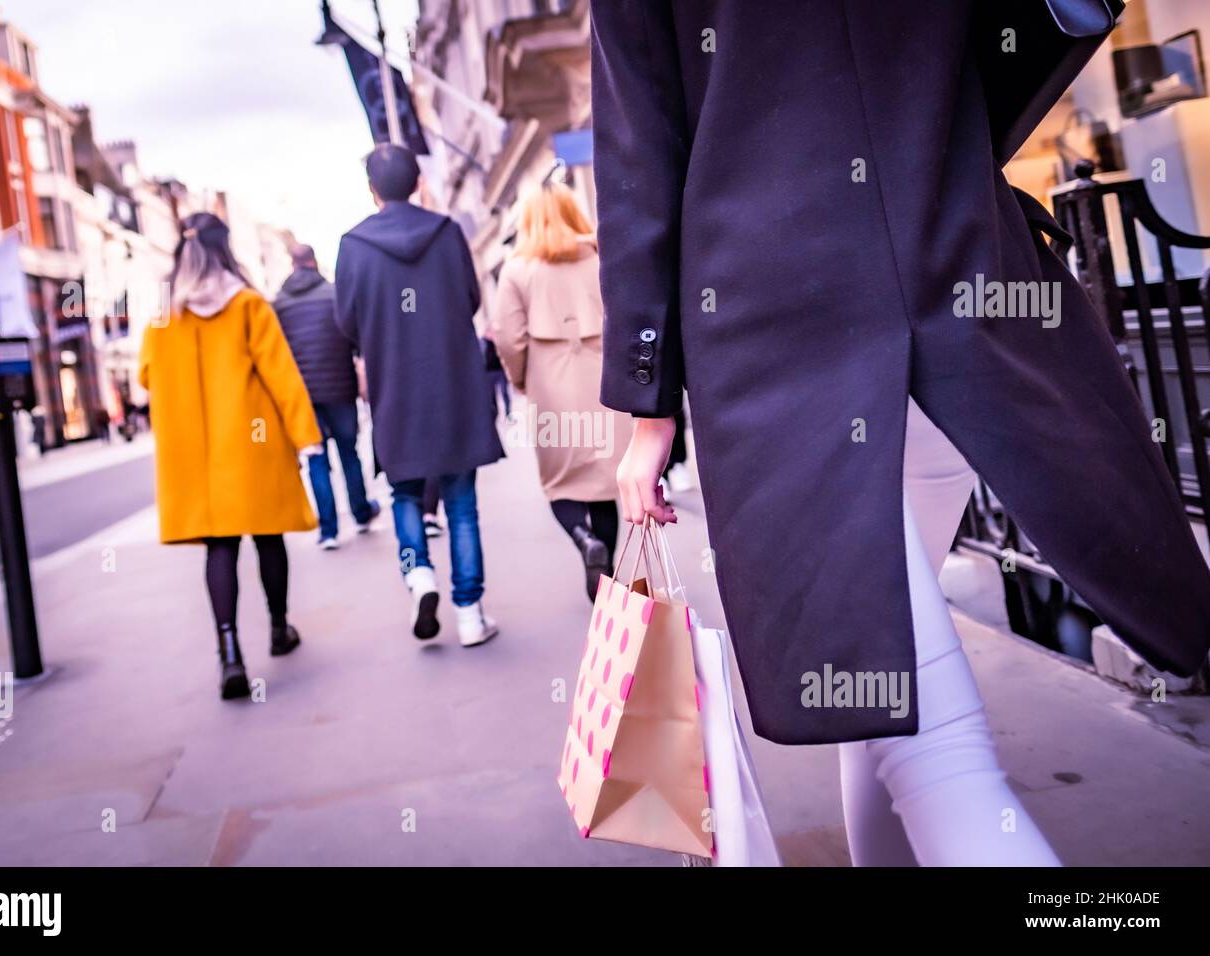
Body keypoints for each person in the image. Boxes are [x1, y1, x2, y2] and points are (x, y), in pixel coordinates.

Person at [591, 2, 1210, 866]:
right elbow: (1022, 42)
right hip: (960, 286)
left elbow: (638, 164)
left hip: (780, 342)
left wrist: (646, 404)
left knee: (935, 747)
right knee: (879, 669)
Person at [139, 212, 322, 700]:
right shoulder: (245, 301)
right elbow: (280, 372)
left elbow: (144, 374)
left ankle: (230, 654)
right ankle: (279, 629)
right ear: (224, 248)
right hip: (251, 439)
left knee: (220, 547)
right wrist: (306, 435)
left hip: (196, 450)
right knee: (267, 535)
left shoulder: (163, 310)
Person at [335, 144, 504, 647]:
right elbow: (471, 299)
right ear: (417, 183)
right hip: (453, 383)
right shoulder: (447, 232)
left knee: (405, 493)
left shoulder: (353, 245)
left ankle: (418, 574)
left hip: (396, 387)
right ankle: (470, 612)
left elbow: (346, 323)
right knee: (461, 503)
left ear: (372, 190)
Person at [493, 181, 632, 602]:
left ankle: (583, 539)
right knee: (604, 483)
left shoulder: (516, 270)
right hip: (602, 379)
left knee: (560, 483)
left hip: (550, 383)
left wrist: (520, 380)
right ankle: (606, 577)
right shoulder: (600, 255)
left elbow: (508, 338)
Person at [273, 243, 379, 550]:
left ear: (292, 264)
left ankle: (329, 530)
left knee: (316, 460)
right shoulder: (335, 294)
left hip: (302, 396)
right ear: (314, 261)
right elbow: (354, 336)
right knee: (349, 453)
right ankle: (360, 513)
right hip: (340, 388)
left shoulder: (278, 303)